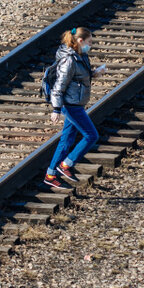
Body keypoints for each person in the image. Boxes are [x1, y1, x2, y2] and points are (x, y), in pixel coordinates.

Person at [43, 26, 104, 192]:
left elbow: (79, 77)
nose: (90, 45)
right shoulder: (69, 59)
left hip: (76, 103)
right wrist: (56, 109)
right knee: (91, 135)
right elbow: (59, 86)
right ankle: (66, 164)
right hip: (70, 106)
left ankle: (50, 175)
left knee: (66, 140)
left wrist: (94, 74)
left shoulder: (81, 56)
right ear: (80, 41)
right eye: (89, 42)